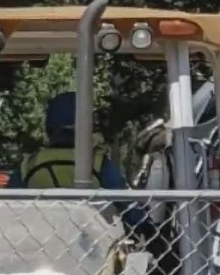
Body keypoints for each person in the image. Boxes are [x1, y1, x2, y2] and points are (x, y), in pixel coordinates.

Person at [9, 91, 152, 237]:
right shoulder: (97, 163)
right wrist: (147, 225)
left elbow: (8, 206)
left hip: (36, 240)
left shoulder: (29, 163)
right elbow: (126, 203)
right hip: (89, 243)